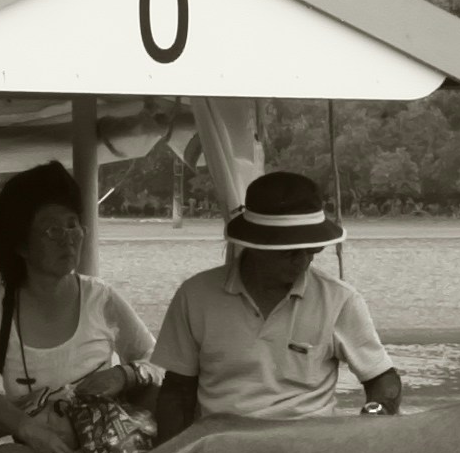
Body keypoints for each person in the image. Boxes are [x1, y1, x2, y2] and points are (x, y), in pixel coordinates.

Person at [147, 169, 402, 433]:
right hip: (223, 447)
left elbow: (383, 378)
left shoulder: (340, 300)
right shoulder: (196, 295)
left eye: (312, 249)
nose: (303, 260)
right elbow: (177, 392)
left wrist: (374, 414)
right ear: (254, 244)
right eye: (289, 251)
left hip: (308, 446)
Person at [0, 161, 154, 453]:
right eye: (52, 230)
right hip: (19, 443)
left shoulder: (100, 298)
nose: (69, 239)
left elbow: (157, 359)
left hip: (102, 440)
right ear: (20, 245)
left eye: (73, 225)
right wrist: (30, 430)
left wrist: (124, 374)